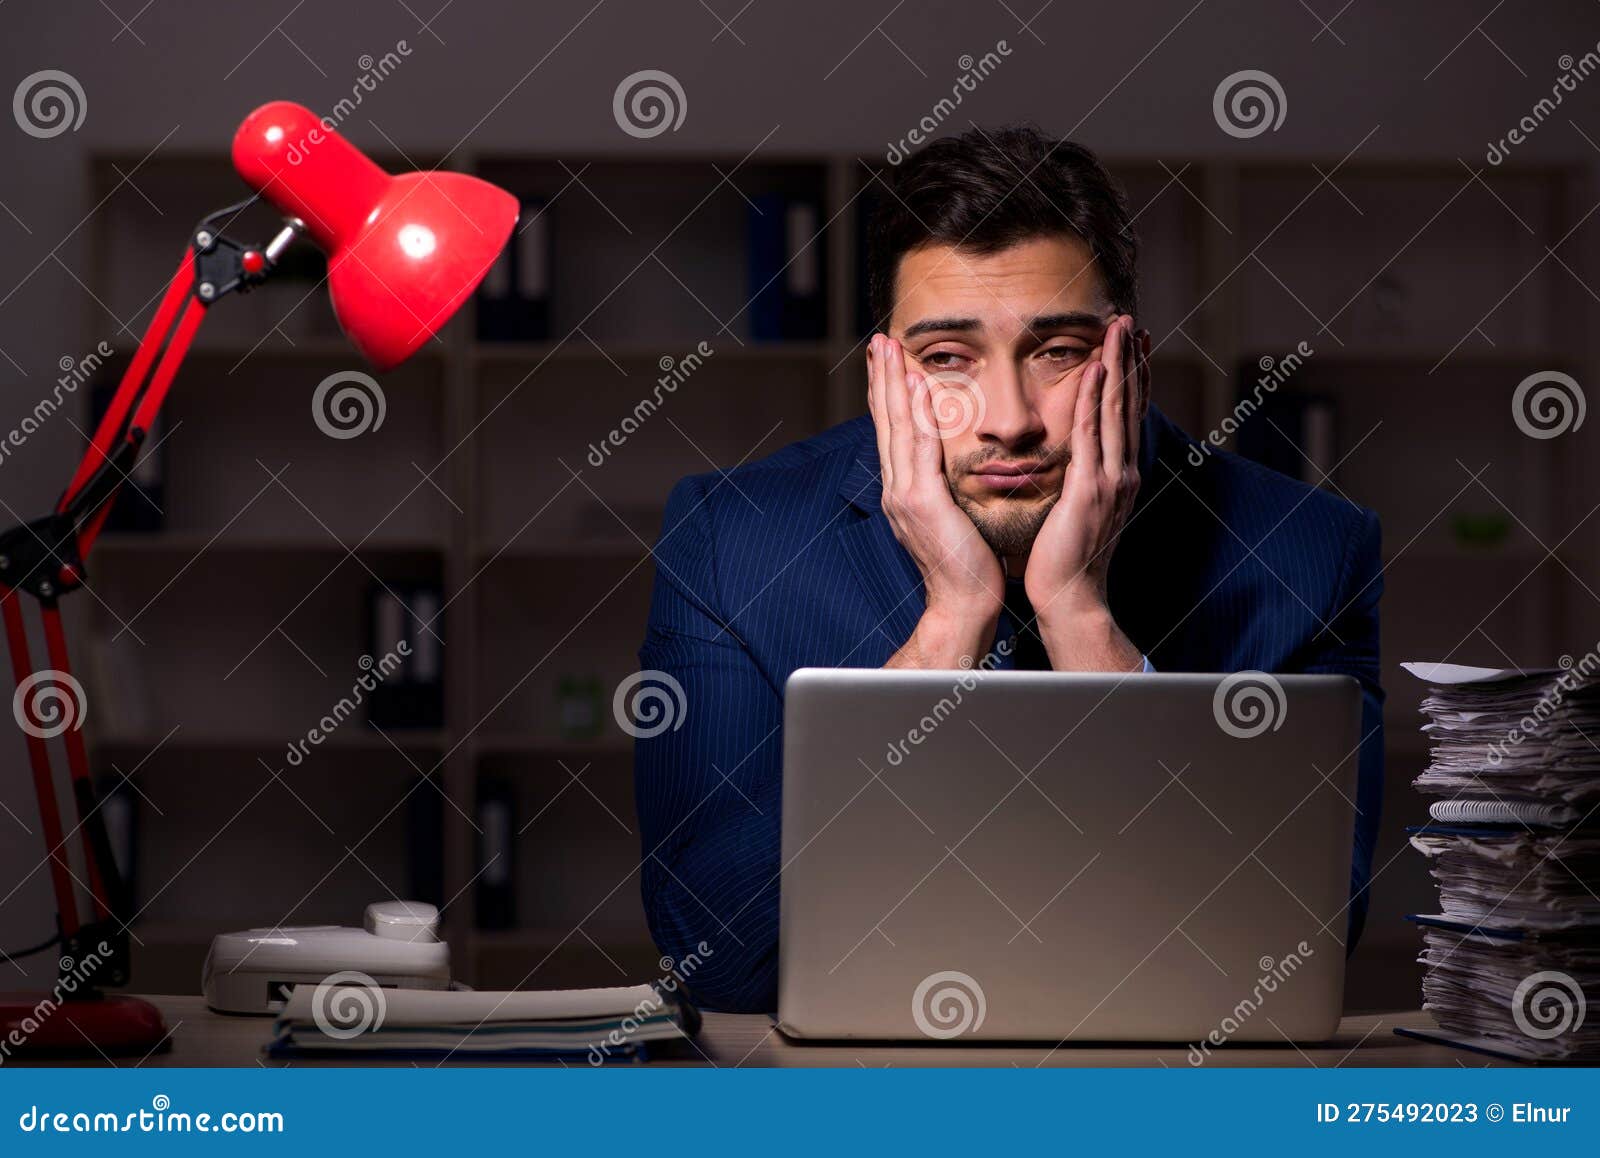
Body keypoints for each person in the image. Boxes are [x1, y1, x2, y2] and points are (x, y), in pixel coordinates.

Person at [633, 125, 1383, 1013]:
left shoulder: (1309, 552)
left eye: (1058, 350)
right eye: (948, 358)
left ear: (1132, 361)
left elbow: (1290, 951)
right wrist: (948, 629)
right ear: (884, 374)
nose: (1010, 419)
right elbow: (717, 957)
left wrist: (1079, 618)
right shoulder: (732, 541)